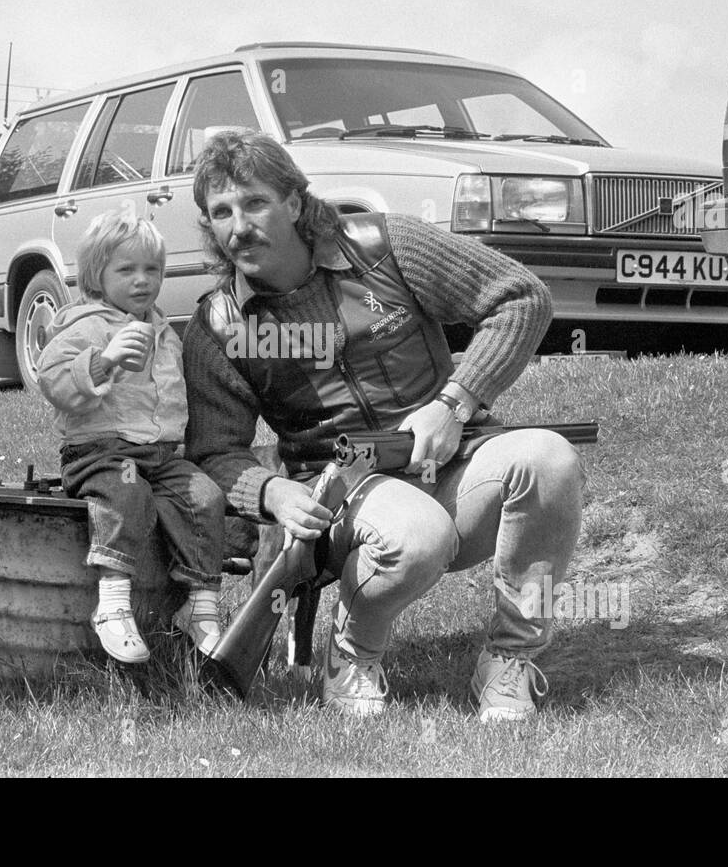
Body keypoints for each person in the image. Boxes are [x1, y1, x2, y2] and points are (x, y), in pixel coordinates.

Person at [183, 130, 585, 719]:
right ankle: (352, 655)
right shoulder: (219, 325)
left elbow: (522, 297)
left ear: (294, 202)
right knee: (418, 535)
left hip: (453, 464)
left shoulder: (388, 246)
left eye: (255, 203)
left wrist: (454, 403)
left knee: (550, 460)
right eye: (221, 212)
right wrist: (272, 493)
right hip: (343, 498)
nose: (239, 226)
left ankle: (511, 658)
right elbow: (214, 452)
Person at [37, 211, 226, 663]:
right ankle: (113, 602)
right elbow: (52, 378)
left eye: (152, 269)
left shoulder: (164, 332)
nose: (142, 280)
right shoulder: (83, 325)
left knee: (204, 496)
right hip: (101, 452)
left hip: (159, 455)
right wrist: (103, 360)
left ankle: (200, 605)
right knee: (126, 494)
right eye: (126, 270)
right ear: (96, 275)